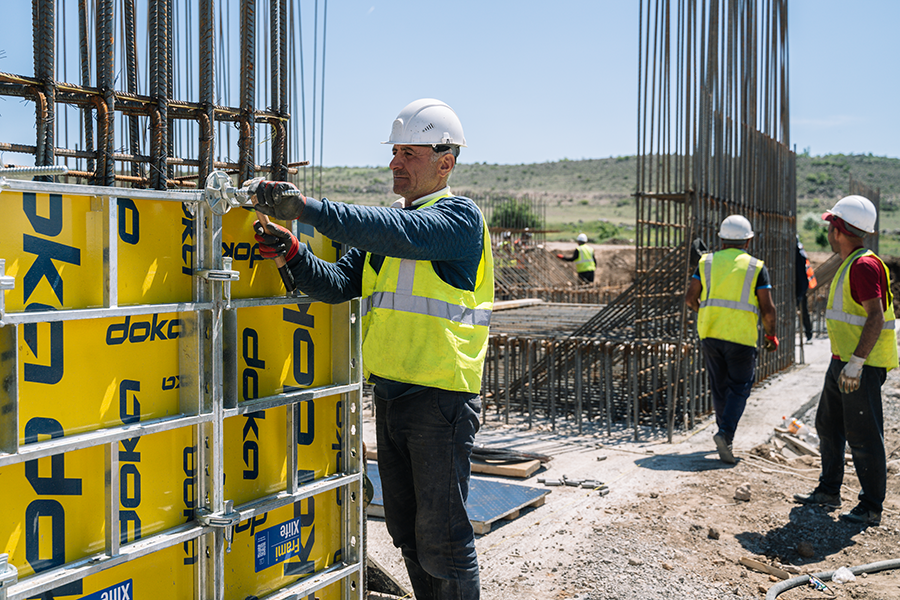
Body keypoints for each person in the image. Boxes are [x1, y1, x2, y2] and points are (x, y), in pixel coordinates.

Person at [248, 98, 492, 599]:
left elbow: (397, 232)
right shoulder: (391, 227)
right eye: (395, 152)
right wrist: (294, 253)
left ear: (445, 162)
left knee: (442, 537)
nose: (394, 163)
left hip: (441, 399)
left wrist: (305, 208)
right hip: (393, 397)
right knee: (405, 530)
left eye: (408, 153)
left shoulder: (458, 220)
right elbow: (339, 283)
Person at [793, 196, 897, 526]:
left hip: (860, 366)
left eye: (830, 224)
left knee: (864, 434)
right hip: (844, 361)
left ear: (839, 228)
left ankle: (870, 506)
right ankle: (828, 490)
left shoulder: (863, 265)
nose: (827, 230)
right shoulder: (853, 261)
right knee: (828, 424)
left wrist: (857, 362)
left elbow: (875, 317)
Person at [684, 215, 778, 464]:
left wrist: (703, 312)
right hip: (741, 338)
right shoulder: (755, 267)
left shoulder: (706, 262)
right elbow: (768, 309)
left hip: (710, 334)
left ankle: (724, 435)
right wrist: (770, 335)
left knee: (719, 387)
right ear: (748, 240)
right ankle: (725, 434)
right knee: (739, 387)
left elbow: (690, 298)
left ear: (722, 240)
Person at [795, 236, 816, 341]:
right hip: (800, 287)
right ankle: (809, 333)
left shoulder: (799, 254)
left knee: (804, 311)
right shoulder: (800, 252)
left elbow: (801, 274)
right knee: (804, 312)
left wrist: (799, 292)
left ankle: (809, 333)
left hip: (800, 287)